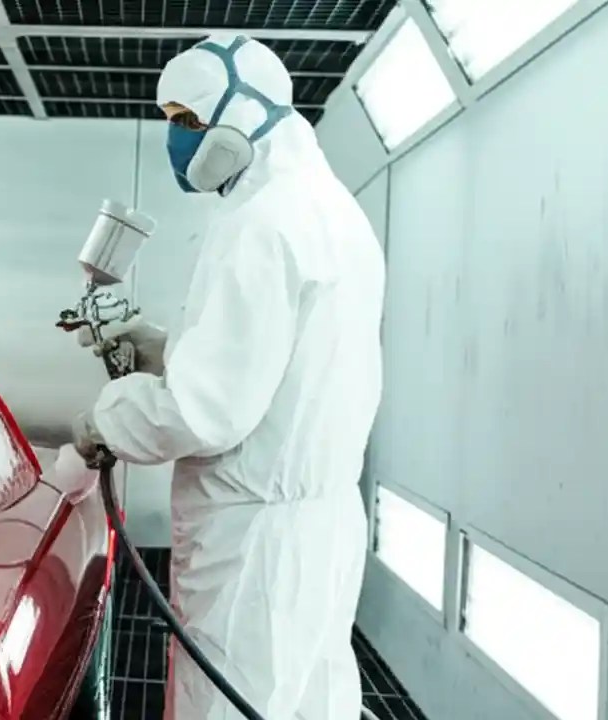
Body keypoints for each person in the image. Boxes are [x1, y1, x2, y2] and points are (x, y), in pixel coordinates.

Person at [72, 34, 386, 719]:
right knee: (312, 702)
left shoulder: (262, 224)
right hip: (322, 528)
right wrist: (165, 347)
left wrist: (108, 420)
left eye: (187, 120)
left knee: (226, 705)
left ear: (241, 117)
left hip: (254, 549)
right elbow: (281, 366)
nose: (176, 141)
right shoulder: (334, 211)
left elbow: (204, 412)